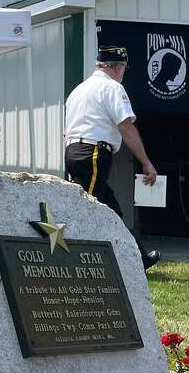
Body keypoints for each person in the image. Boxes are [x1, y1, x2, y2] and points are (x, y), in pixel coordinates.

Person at [64, 45, 162, 270]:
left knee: (110, 209)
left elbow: (67, 130)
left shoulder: (78, 90)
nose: (123, 73)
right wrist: (146, 163)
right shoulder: (112, 88)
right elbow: (126, 127)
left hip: (75, 151)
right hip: (94, 153)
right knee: (84, 209)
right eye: (124, 68)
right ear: (117, 68)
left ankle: (137, 257)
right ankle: (71, 262)